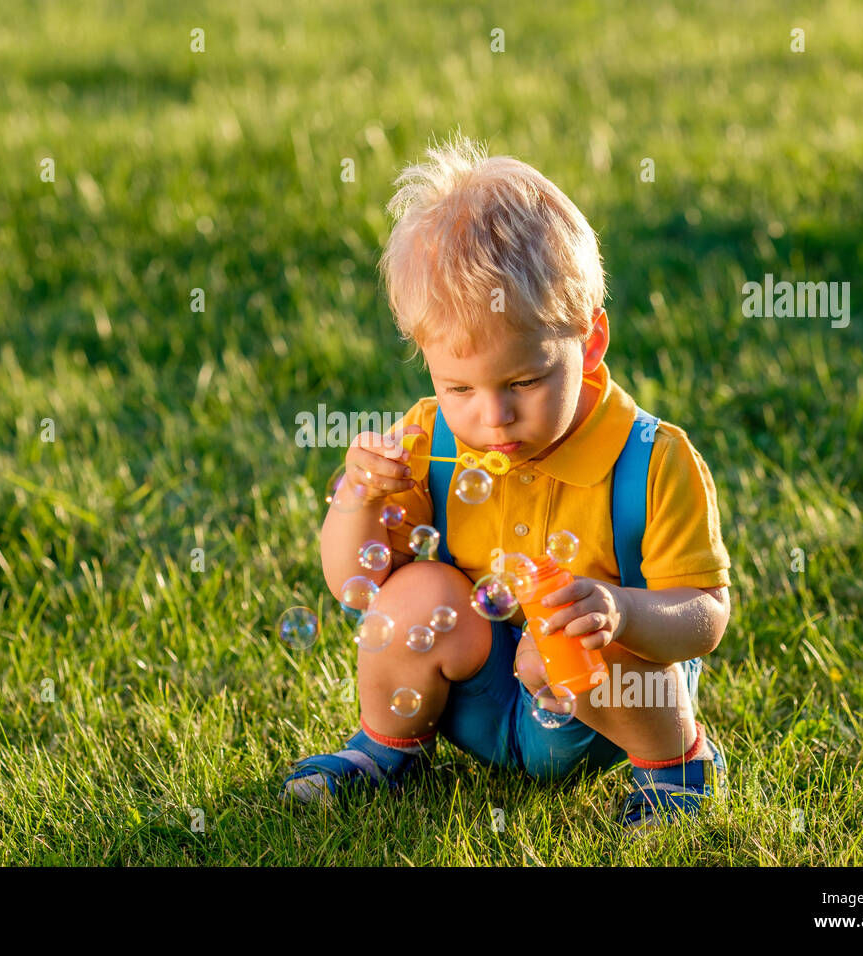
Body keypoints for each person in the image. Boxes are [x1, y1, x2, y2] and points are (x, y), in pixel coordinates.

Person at [282, 133, 732, 832]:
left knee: (579, 629)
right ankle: (384, 749)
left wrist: (620, 610)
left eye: (524, 381)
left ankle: (678, 768)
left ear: (589, 344)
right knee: (417, 592)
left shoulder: (650, 459)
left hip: (607, 712)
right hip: (484, 697)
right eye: (458, 385)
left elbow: (705, 615)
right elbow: (354, 583)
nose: (492, 418)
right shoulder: (429, 441)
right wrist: (357, 499)